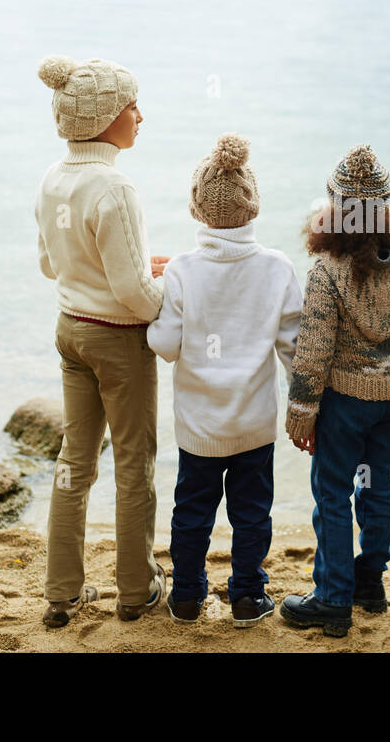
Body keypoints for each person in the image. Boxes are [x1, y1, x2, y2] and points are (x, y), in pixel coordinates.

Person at [34, 54, 168, 628]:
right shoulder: (114, 187)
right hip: (117, 342)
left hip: (70, 333)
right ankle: (136, 589)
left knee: (74, 463)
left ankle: (63, 591)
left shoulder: (53, 179)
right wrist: (171, 294)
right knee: (134, 463)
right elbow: (134, 295)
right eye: (130, 105)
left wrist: (135, 271)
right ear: (105, 118)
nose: (140, 114)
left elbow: (49, 264)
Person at [147, 134, 302, 628]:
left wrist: (153, 303)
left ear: (197, 209)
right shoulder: (278, 268)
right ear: (253, 205)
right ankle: (247, 597)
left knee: (192, 512)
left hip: (199, 427)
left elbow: (166, 345)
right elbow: (294, 351)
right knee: (252, 514)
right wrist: (308, 407)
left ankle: (188, 596)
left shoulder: (182, 272)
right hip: (254, 425)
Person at [279, 145, 390, 638]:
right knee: (378, 488)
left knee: (332, 494)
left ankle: (333, 598)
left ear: (336, 211)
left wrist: (301, 413)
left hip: (343, 403)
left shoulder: (326, 270)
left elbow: (314, 350)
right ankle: (370, 583)